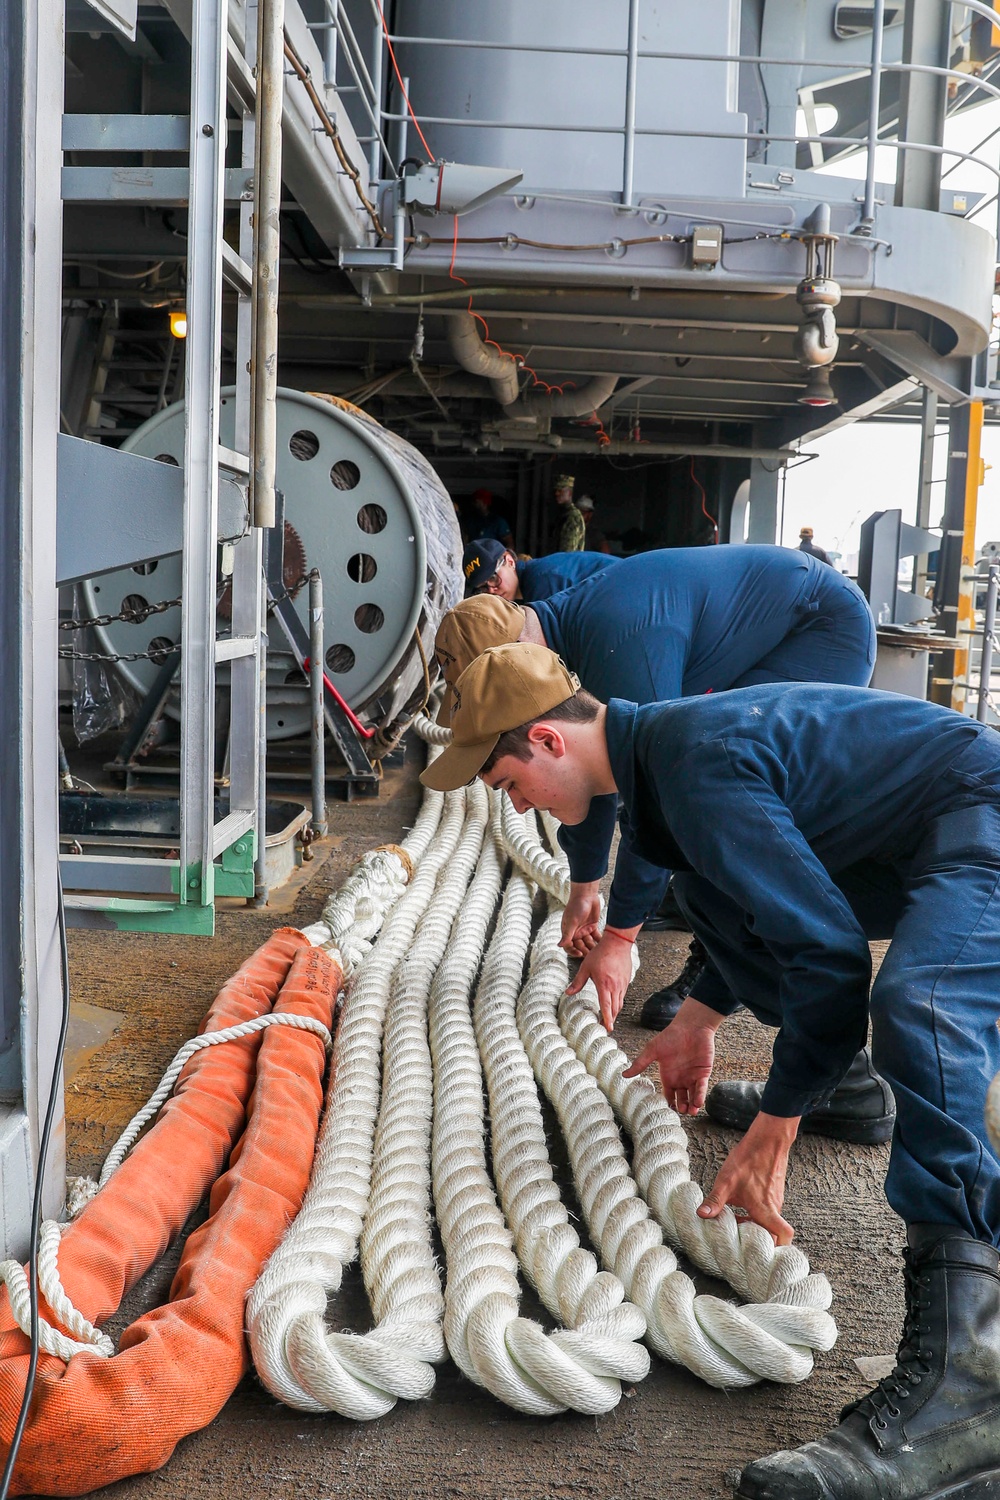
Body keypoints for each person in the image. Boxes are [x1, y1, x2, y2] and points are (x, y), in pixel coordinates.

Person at [422, 641, 1000, 1500]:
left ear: (546, 742)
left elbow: (831, 955)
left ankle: (970, 1386)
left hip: (979, 806)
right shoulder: (663, 766)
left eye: (510, 786)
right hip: (924, 821)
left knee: (921, 1009)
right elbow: (761, 895)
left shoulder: (691, 763)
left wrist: (779, 1121)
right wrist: (699, 1016)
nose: (523, 807)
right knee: (755, 932)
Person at [434, 545, 881, 1103]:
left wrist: (622, 934)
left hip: (818, 629)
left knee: (742, 829)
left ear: (519, 657)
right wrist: (585, 885)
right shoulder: (561, 642)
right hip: (769, 629)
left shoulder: (619, 641)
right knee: (696, 845)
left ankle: (840, 1074)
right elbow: (592, 766)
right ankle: (711, 944)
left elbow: (656, 788)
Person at [461, 538, 617, 602]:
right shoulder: (531, 580)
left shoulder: (540, 582)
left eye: (493, 578)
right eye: (482, 588)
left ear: (509, 561)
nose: (492, 590)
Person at [553, 474, 585, 552]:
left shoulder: (573, 516)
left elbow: (568, 551)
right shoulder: (563, 514)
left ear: (569, 493)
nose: (557, 494)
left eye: (560, 491)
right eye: (556, 490)